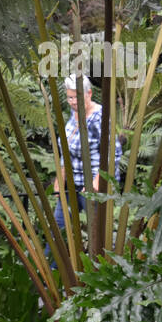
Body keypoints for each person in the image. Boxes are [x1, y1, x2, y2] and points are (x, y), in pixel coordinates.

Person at [51, 74, 121, 251]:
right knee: (59, 230)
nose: (73, 101)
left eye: (77, 97)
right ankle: (51, 272)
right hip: (72, 185)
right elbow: (66, 152)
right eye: (70, 97)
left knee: (97, 236)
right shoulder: (74, 116)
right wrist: (60, 180)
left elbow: (114, 151)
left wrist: (97, 182)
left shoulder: (98, 117)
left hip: (92, 188)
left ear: (89, 93)